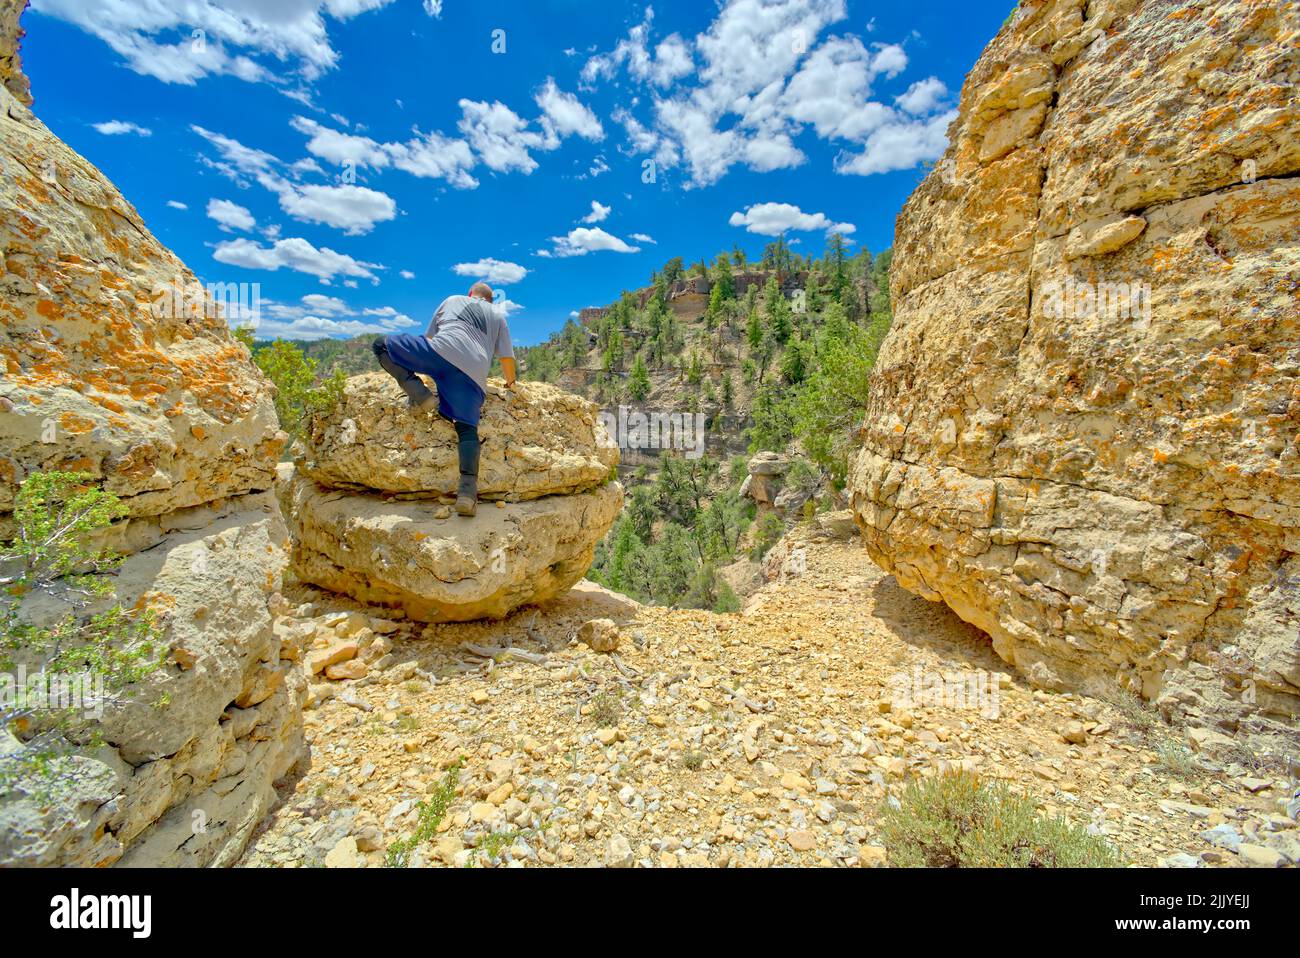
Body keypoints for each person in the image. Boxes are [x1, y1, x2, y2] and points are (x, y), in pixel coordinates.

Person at [371, 281, 516, 517]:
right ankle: (467, 493)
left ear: (470, 294)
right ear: (490, 300)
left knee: (381, 345)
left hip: (440, 352)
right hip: (473, 375)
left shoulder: (452, 299)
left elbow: (429, 337)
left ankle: (421, 395)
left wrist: (421, 367)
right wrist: (511, 382)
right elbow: (507, 357)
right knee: (467, 429)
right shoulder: (498, 316)